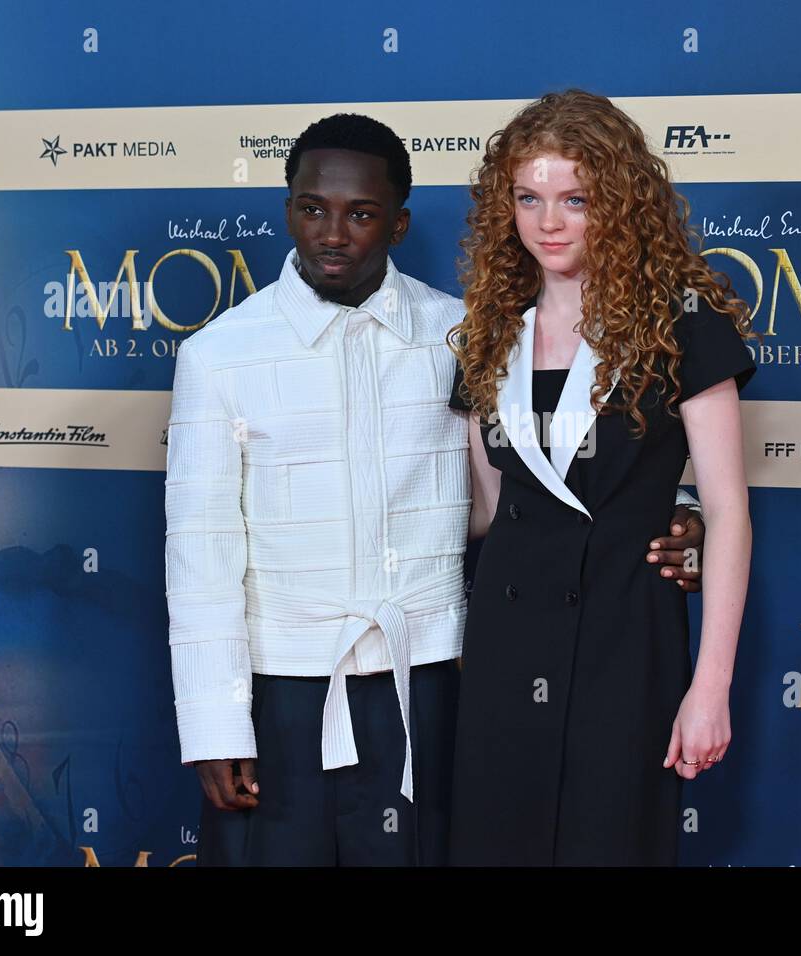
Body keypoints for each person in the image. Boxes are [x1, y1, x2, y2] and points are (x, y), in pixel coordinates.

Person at [164, 113, 709, 866]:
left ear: (398, 223)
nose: (331, 233)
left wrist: (677, 517)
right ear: (287, 207)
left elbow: (535, 485)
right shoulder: (219, 356)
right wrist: (215, 724)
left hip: (427, 684)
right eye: (311, 208)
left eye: (360, 214)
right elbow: (201, 555)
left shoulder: (465, 334)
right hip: (280, 692)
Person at [446, 90, 756, 866]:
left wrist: (709, 687)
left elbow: (727, 512)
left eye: (575, 199)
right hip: (505, 645)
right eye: (529, 197)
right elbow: (485, 511)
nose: (549, 222)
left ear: (617, 204)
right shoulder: (490, 327)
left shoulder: (684, 323)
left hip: (628, 637)